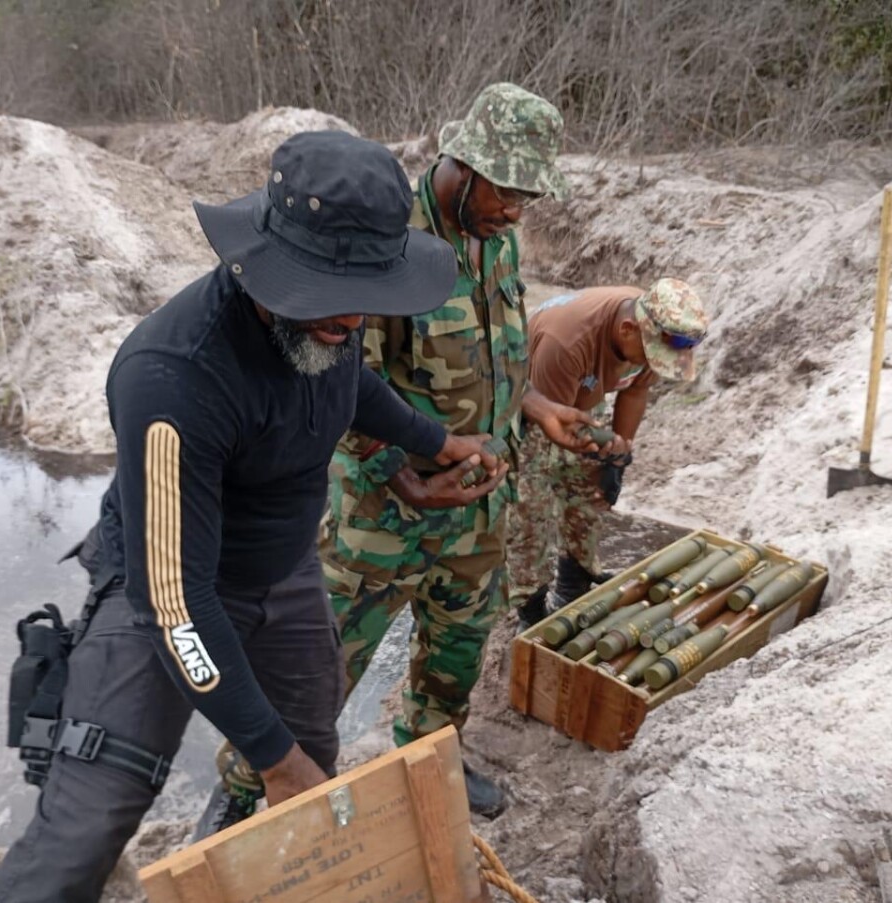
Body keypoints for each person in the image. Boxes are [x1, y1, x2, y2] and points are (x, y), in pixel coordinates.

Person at [0, 131, 504, 903]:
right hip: (162, 587)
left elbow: (349, 387)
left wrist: (435, 441)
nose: (349, 316)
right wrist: (271, 759)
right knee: (89, 820)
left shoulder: (331, 317)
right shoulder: (173, 378)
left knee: (312, 748)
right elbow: (176, 603)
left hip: (284, 572)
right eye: (325, 296)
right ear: (267, 262)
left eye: (363, 295)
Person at [200, 83, 596, 834]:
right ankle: (247, 792)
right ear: (463, 165)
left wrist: (537, 408)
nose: (517, 211)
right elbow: (338, 375)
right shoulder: (384, 238)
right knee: (319, 663)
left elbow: (496, 355)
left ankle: (432, 754)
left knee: (458, 648)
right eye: (507, 192)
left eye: (527, 197)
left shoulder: (497, 239)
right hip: (382, 516)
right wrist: (399, 475)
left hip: (477, 504)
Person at [510, 279, 709, 629]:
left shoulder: (646, 331)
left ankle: (574, 581)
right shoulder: (566, 342)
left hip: (579, 391)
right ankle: (531, 603)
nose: (651, 364)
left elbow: (635, 391)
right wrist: (579, 455)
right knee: (531, 505)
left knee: (592, 483)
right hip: (533, 400)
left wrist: (619, 449)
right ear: (627, 330)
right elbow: (551, 424)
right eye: (650, 356)